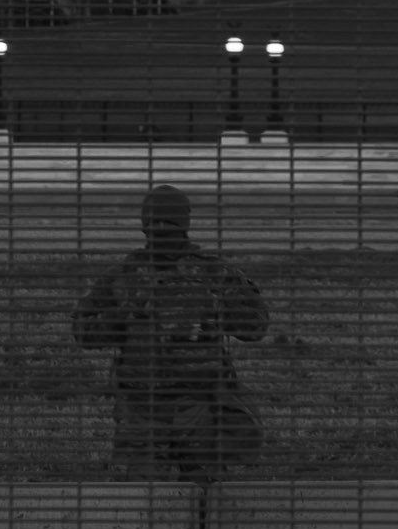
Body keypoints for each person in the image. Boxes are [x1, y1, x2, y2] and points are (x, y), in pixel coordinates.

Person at [72, 186, 270, 480]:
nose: (161, 230)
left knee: (203, 495)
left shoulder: (212, 273)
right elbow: (83, 331)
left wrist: (214, 309)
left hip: (200, 409)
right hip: (143, 412)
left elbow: (256, 326)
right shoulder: (124, 277)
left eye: (168, 223)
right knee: (143, 503)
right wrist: (123, 315)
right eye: (156, 224)